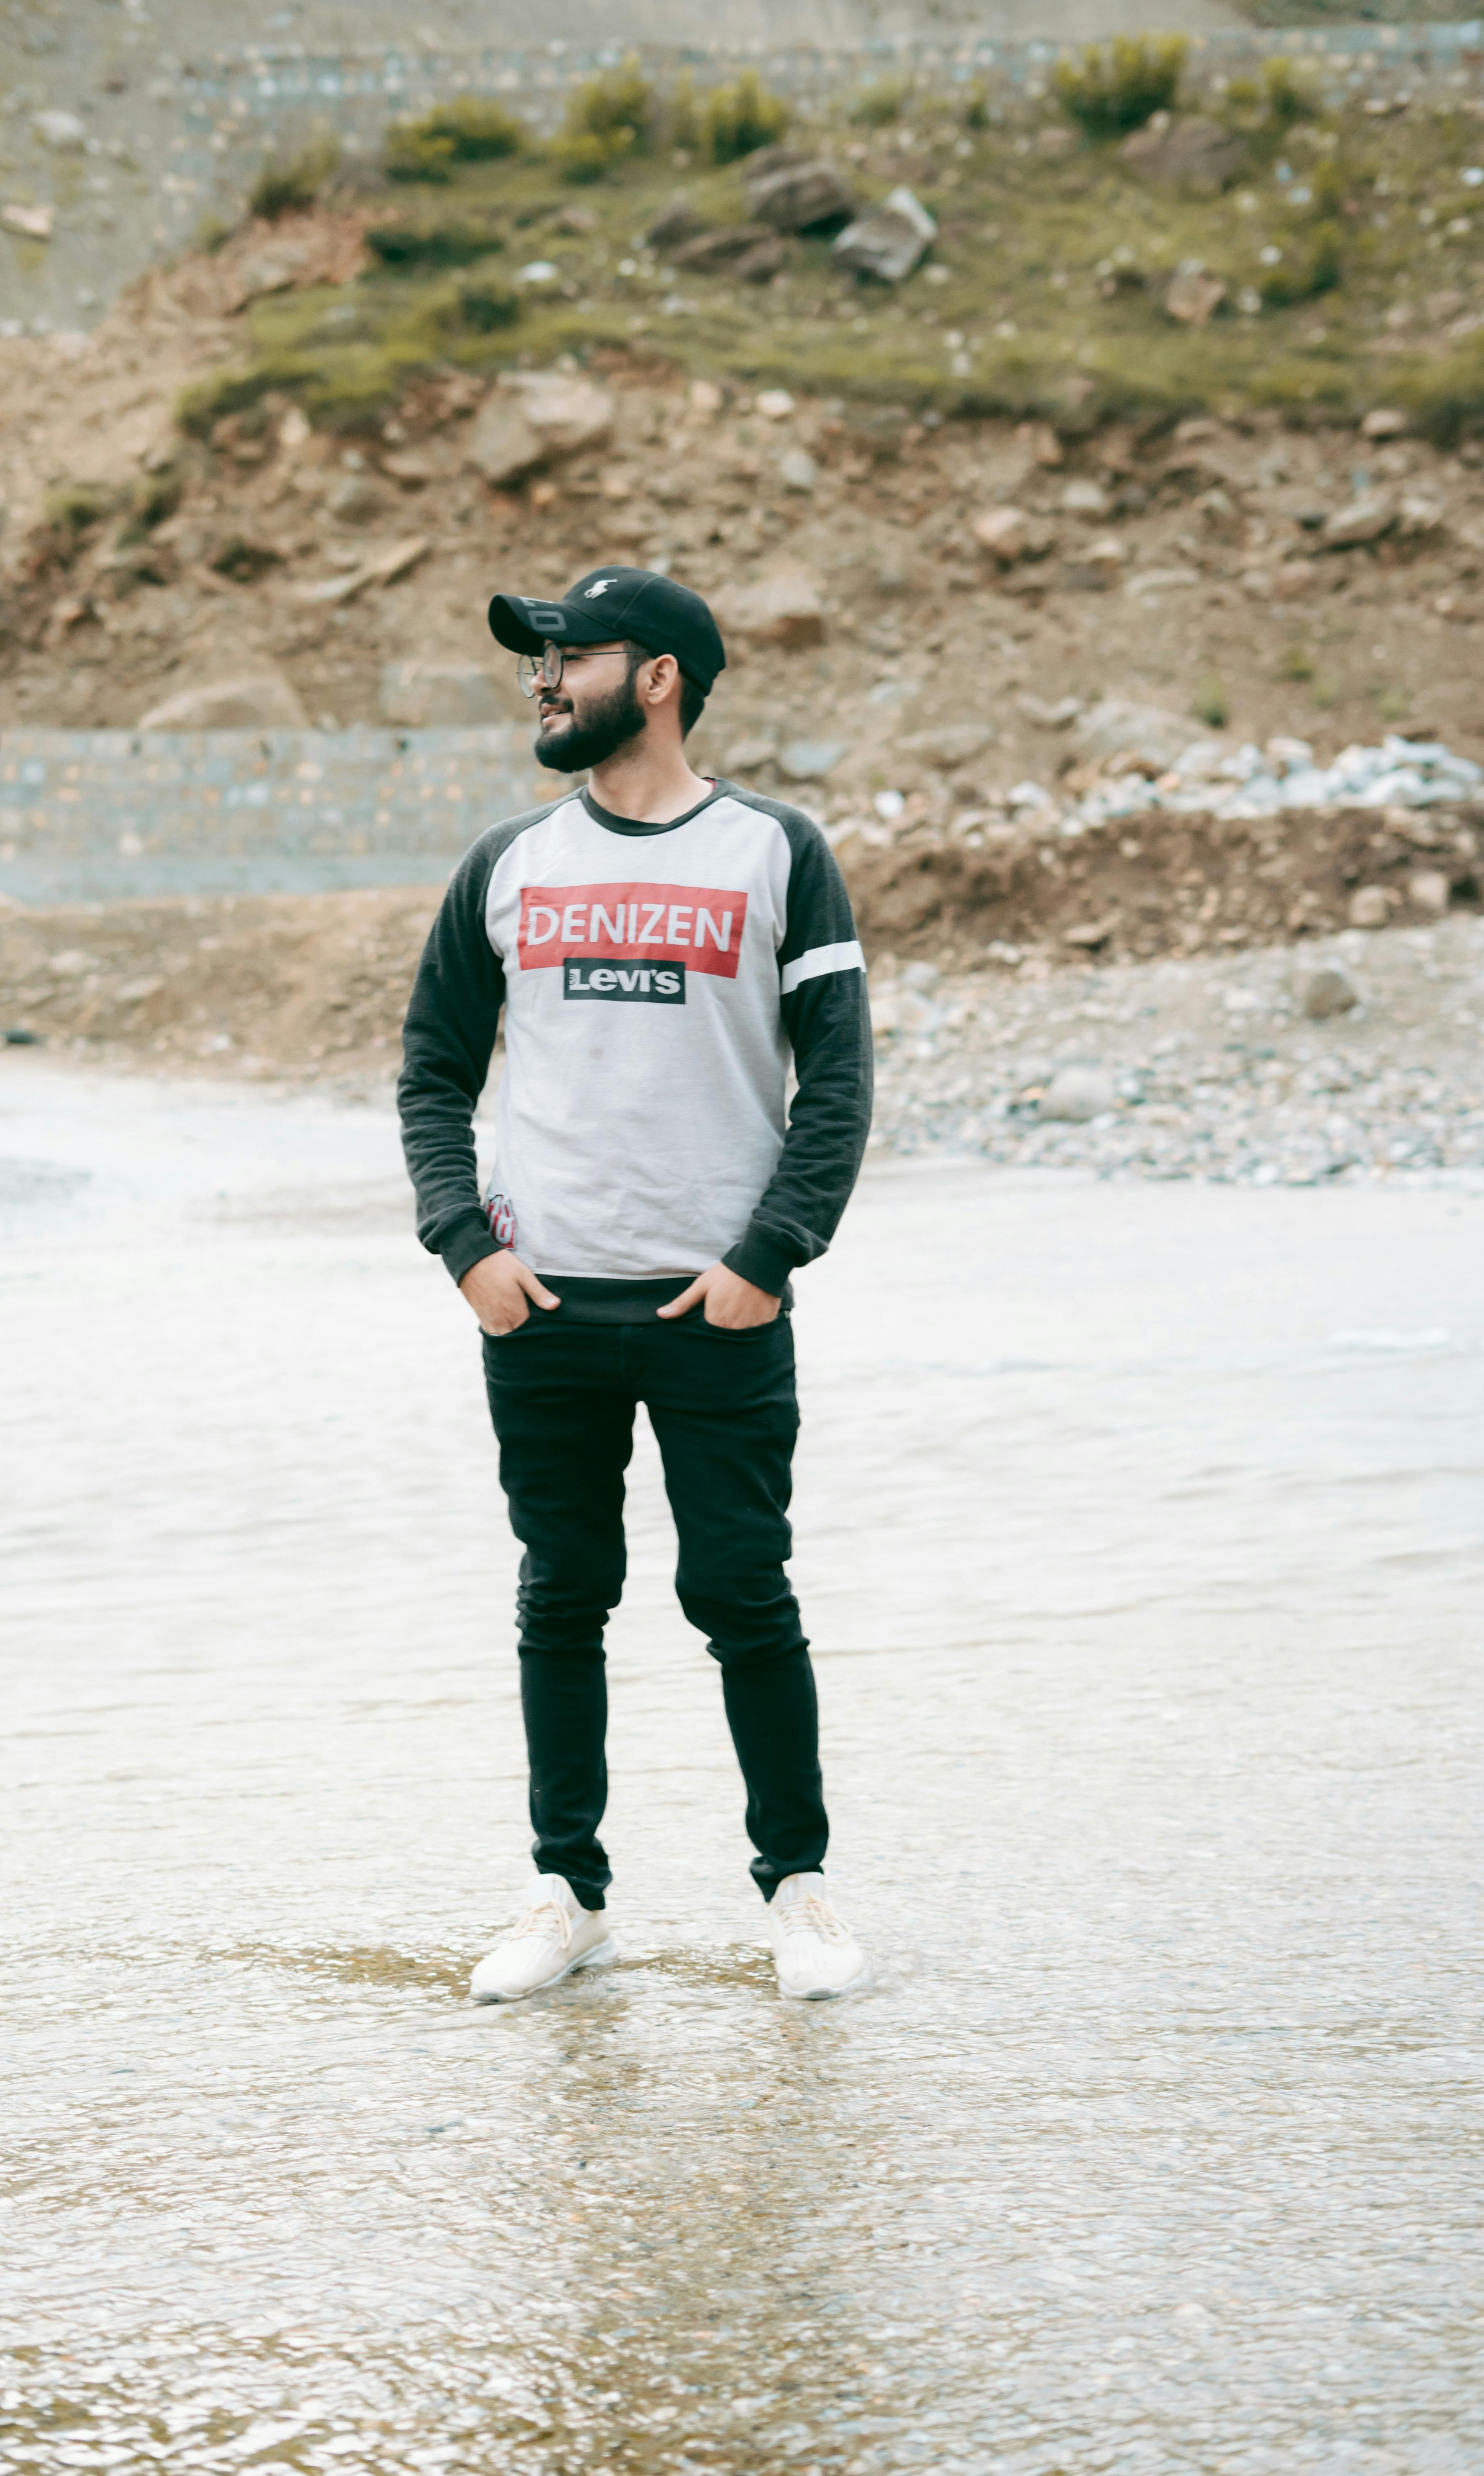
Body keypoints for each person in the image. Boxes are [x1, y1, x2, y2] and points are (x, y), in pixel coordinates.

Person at [397, 565, 872, 2003]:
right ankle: (569, 1894)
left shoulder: (775, 852)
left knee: (743, 1591)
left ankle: (800, 1895)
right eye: (537, 661)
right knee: (562, 1594)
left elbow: (838, 1085)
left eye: (568, 656)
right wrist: (466, 1251)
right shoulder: (507, 865)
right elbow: (431, 1073)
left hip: (713, 1305)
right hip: (542, 1307)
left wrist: (764, 1260)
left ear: (655, 675)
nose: (543, 681)